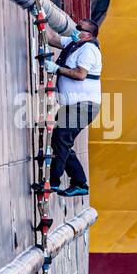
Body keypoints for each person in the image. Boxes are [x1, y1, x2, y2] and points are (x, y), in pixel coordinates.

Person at [39, 19, 102, 197]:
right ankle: (79, 183)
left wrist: (57, 69)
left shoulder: (89, 50)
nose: (74, 30)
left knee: (60, 138)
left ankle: (53, 182)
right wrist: (41, 14)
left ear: (88, 35)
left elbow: (80, 74)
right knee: (61, 142)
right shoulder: (76, 43)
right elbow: (53, 38)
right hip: (72, 105)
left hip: (84, 105)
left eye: (78, 28)